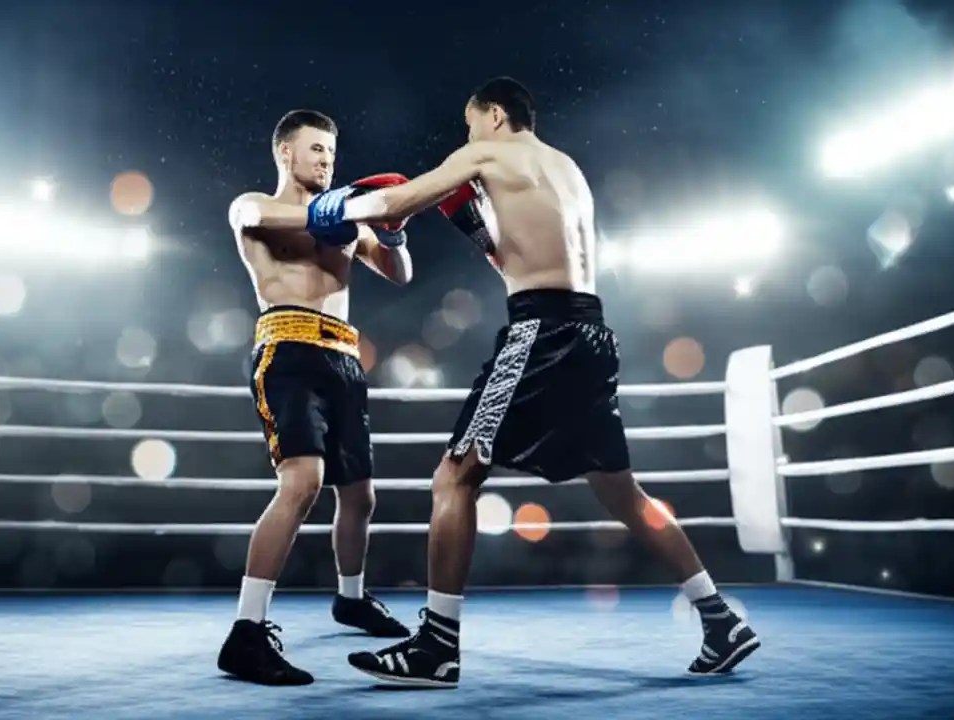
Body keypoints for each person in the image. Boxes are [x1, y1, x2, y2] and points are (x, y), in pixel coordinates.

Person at [302, 77, 760, 686]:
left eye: (470, 125)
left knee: (454, 476)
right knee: (622, 491)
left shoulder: (485, 152)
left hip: (540, 331)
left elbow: (391, 205)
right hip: (591, 332)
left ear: (494, 115)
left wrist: (330, 208)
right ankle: (719, 616)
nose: (466, 139)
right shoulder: (565, 168)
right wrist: (474, 226)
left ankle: (437, 644)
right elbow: (515, 257)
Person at [216, 109, 414, 686]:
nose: (327, 160)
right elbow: (256, 215)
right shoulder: (256, 205)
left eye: (331, 151)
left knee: (361, 497)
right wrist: (337, 210)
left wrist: (392, 232)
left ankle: (350, 599)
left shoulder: (348, 222)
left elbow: (398, 271)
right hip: (288, 350)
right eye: (315, 150)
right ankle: (246, 633)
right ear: (285, 153)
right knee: (301, 483)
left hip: (345, 359)